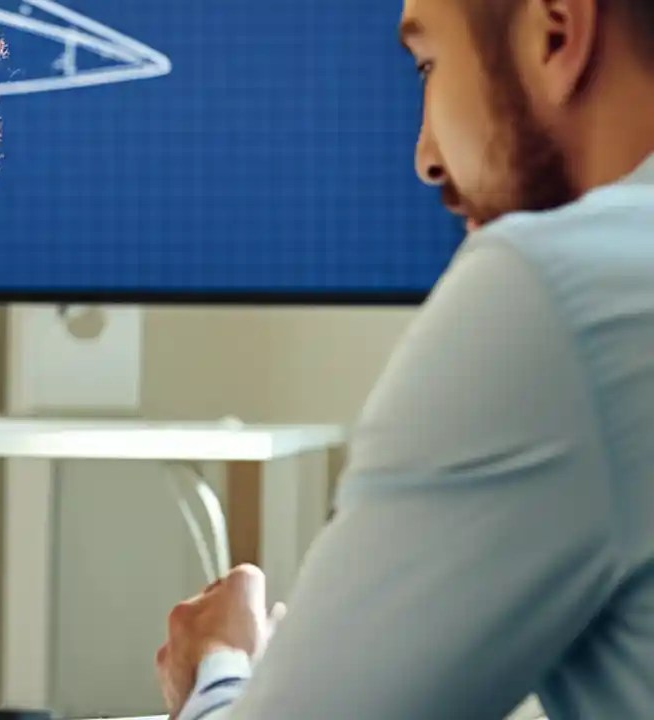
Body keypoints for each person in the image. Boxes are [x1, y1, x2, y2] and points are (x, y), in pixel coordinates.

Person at [157, 0, 654, 718]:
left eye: (430, 64)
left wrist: (218, 670)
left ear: (556, 31)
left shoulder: (554, 288)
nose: (425, 155)